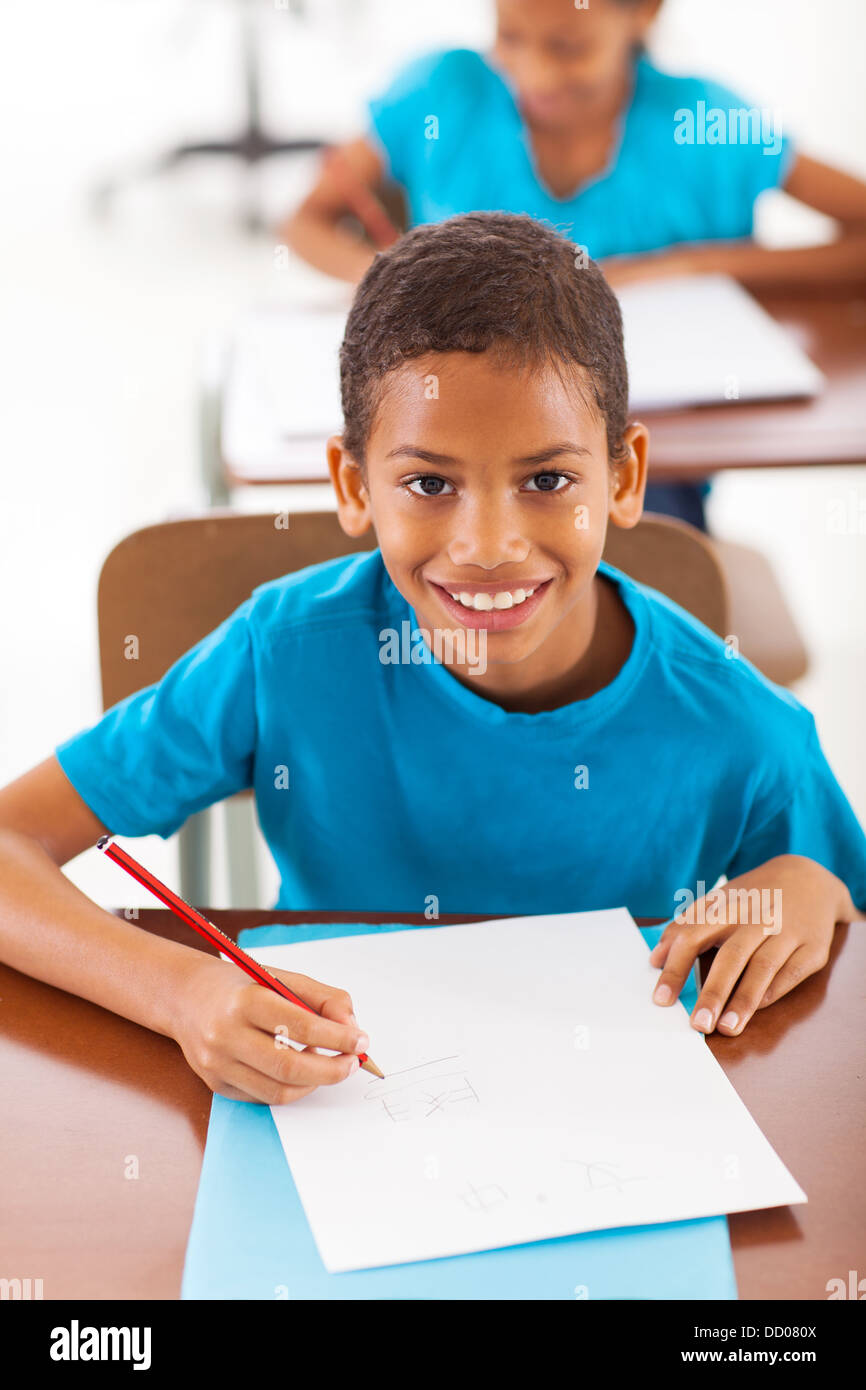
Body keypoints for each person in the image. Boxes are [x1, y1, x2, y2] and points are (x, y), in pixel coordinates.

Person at [1, 213, 863, 1107]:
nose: (487, 546)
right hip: (331, 1116)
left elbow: (843, 912)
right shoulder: (282, 656)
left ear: (626, 476)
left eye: (547, 480)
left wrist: (812, 886)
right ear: (350, 485)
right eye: (428, 484)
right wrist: (179, 991)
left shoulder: (745, 729)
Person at [280, 0, 866, 528]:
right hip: (449, 434)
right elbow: (307, 221)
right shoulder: (441, 92)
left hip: (658, 471)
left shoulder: (704, 120)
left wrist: (695, 265)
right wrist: (405, 284)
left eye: (567, 46)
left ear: (645, 14)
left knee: (628, 543)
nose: (533, 72)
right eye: (509, 36)